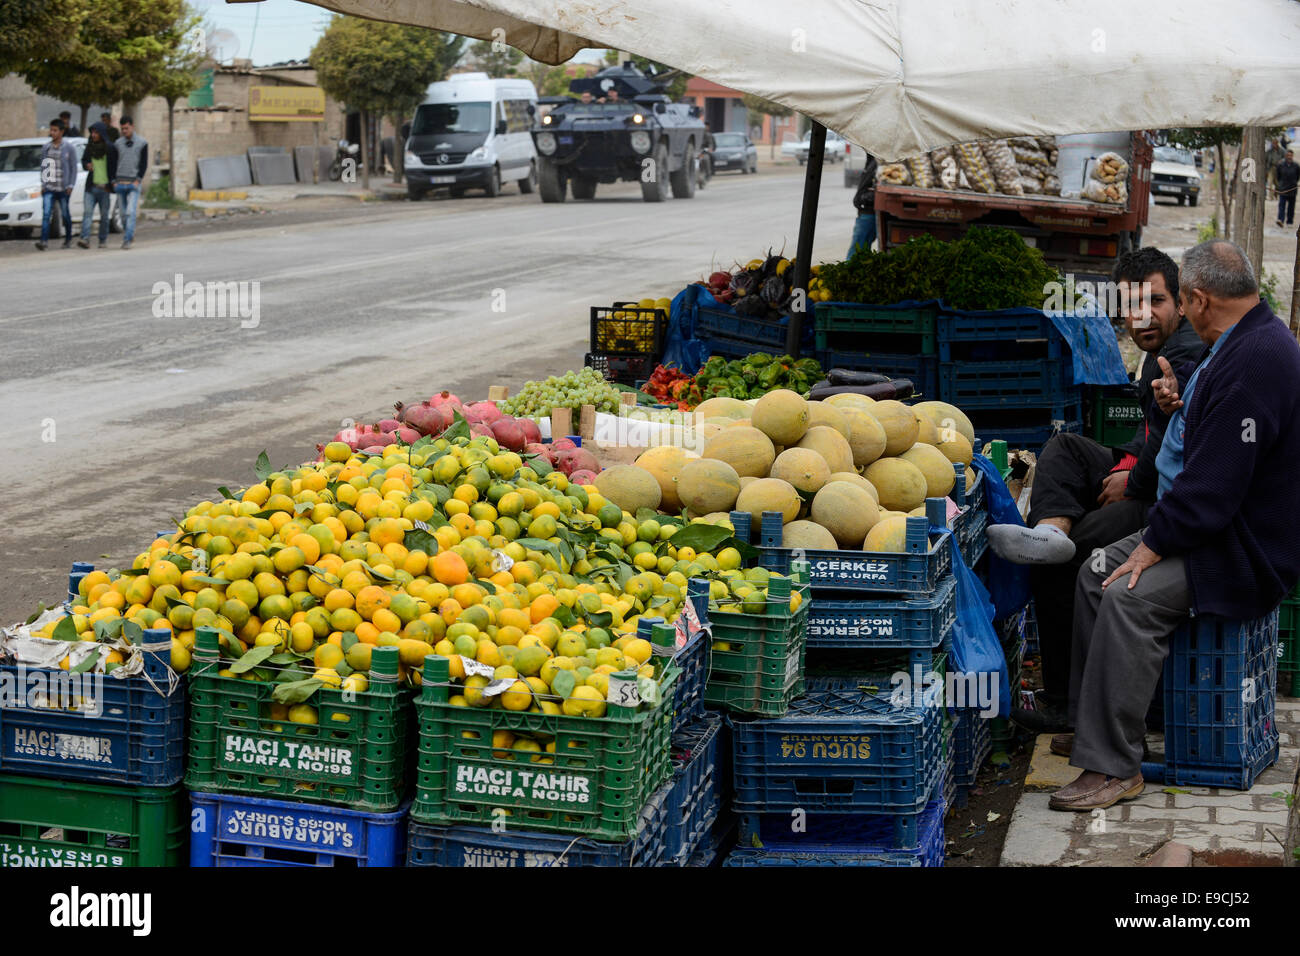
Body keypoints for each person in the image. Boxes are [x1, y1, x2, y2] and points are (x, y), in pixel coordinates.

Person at [1049, 239, 1300, 812]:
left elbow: (1214, 487)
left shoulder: (1256, 358)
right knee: (1094, 572)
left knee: (1128, 595)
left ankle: (1115, 767)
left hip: (1241, 548)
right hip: (1206, 527)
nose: (1181, 315)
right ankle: (1100, 731)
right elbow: (1204, 445)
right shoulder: (1240, 341)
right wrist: (1175, 407)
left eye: (1182, 303)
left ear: (1199, 299)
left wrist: (1153, 545)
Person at [990, 248, 1203, 734]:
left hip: (1165, 502)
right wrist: (1126, 465)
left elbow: (1175, 442)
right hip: (1145, 476)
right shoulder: (1157, 355)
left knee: (1067, 563)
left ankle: (1069, 705)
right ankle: (1051, 528)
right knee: (1065, 447)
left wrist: (1134, 480)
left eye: (1156, 300)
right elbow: (1149, 435)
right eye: (1132, 304)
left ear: (1182, 304)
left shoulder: (1184, 353)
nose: (1143, 315)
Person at [35, 119, 77, 251]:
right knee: (47, 214)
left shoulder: (68, 148)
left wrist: (70, 185)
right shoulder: (47, 148)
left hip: (63, 187)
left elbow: (73, 168)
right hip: (50, 187)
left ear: (61, 131)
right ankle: (44, 241)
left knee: (65, 214)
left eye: (55, 130)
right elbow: (44, 166)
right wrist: (44, 184)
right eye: (51, 130)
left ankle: (68, 239)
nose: (52, 133)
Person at [76, 123, 117, 249]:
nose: (93, 135)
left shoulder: (110, 148)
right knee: (87, 213)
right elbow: (84, 161)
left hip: (104, 187)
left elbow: (114, 166)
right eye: (92, 133)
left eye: (96, 133)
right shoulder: (90, 147)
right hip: (91, 186)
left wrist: (113, 182)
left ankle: (102, 239)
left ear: (102, 133)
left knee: (104, 216)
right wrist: (86, 165)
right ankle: (85, 238)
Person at [112, 116, 147, 250]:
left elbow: (143, 163)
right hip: (120, 182)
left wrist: (139, 179)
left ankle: (127, 239)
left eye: (126, 128)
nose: (124, 131)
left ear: (132, 126)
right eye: (122, 129)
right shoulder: (118, 144)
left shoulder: (142, 143)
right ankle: (129, 232)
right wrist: (113, 181)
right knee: (122, 214)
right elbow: (114, 163)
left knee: (130, 211)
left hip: (133, 183)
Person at [847, 152, 878, 257]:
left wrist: (866, 198)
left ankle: (850, 271)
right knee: (859, 249)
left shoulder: (882, 158)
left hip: (870, 210)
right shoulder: (873, 158)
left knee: (857, 251)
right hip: (867, 209)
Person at [1274, 148, 1298, 229]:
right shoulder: (1280, 165)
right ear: (1285, 156)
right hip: (1283, 189)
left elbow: (1298, 176)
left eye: (1290, 155)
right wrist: (1280, 185)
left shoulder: (1296, 166)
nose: (1289, 157)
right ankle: (1280, 220)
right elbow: (1278, 176)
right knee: (1281, 206)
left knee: (1291, 207)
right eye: (1288, 155)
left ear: (1292, 156)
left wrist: (1294, 183)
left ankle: (1289, 222)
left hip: (1292, 189)